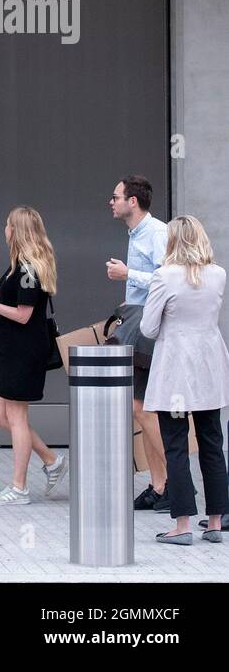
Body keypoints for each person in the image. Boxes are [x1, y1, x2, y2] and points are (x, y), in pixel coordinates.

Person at [139, 216, 229, 545]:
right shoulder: (218, 275)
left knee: (176, 446)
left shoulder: (164, 276)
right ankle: (217, 521)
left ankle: (182, 524)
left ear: (172, 241)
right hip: (209, 368)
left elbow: (148, 328)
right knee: (211, 444)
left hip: (176, 371)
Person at [0, 207, 66, 505]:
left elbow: (24, 315)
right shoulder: (19, 265)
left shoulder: (28, 268)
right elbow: (16, 302)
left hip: (23, 351)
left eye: (8, 224)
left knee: (15, 417)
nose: (5, 229)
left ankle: (19, 488)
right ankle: (52, 460)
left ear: (18, 230)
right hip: (10, 350)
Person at [107, 174, 171, 510]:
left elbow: (167, 277)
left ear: (133, 201)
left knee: (141, 407)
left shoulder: (157, 232)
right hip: (137, 321)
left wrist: (128, 274)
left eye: (116, 196)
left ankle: (175, 480)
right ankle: (159, 485)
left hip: (150, 325)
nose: (111, 201)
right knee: (139, 407)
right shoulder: (136, 233)